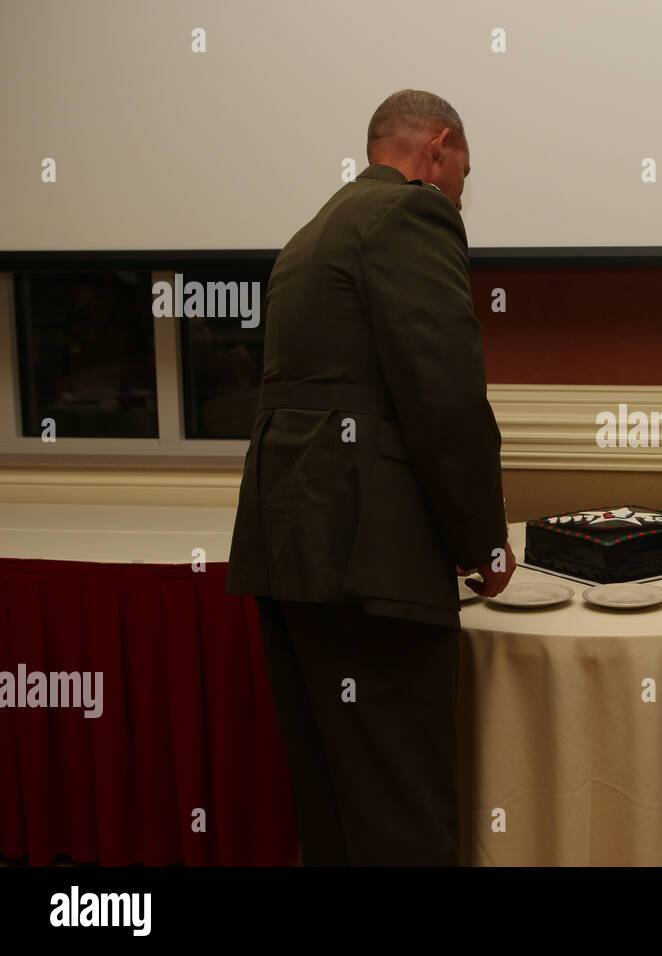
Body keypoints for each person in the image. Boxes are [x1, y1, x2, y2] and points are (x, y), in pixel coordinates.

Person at [227, 89, 516, 866]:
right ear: (438, 148)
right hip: (370, 560)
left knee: (333, 807)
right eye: (464, 171)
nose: (462, 189)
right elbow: (444, 399)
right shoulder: (411, 215)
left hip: (290, 548)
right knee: (402, 813)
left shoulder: (310, 233)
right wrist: (482, 544)